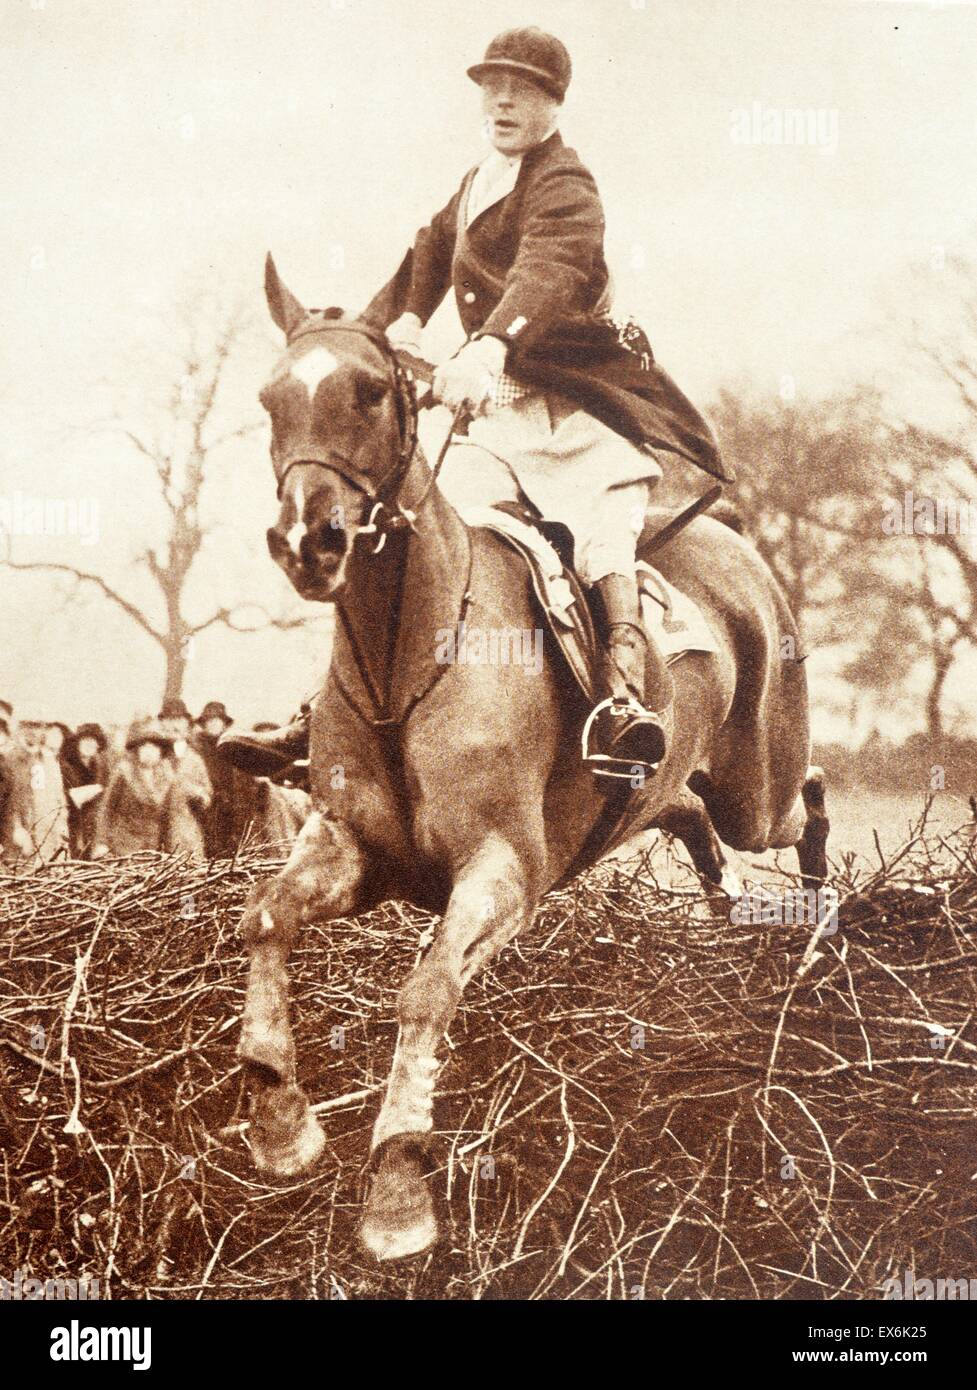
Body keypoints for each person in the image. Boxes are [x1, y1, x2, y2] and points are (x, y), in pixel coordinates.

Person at [220, 26, 725, 779]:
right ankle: (321, 714)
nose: (502, 99)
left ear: (554, 102)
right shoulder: (480, 180)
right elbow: (425, 253)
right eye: (492, 84)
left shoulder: (565, 188)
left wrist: (487, 347)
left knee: (598, 549)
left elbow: (545, 272)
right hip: (500, 422)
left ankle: (623, 706)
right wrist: (397, 325)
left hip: (580, 421)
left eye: (521, 88)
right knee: (411, 533)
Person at [92, 717, 176, 858]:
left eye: (154, 748)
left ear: (160, 752)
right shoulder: (124, 773)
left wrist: (170, 848)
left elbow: (169, 818)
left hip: (152, 847)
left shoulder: (167, 777)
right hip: (123, 845)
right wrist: (102, 842)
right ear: (137, 750)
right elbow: (107, 809)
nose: (149, 752)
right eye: (145, 747)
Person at [60, 723, 111, 858]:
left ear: (98, 746)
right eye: (85, 741)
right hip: (72, 825)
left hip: (93, 826)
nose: (89, 745)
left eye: (93, 742)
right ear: (77, 743)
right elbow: (61, 795)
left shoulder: (100, 767)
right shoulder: (66, 765)